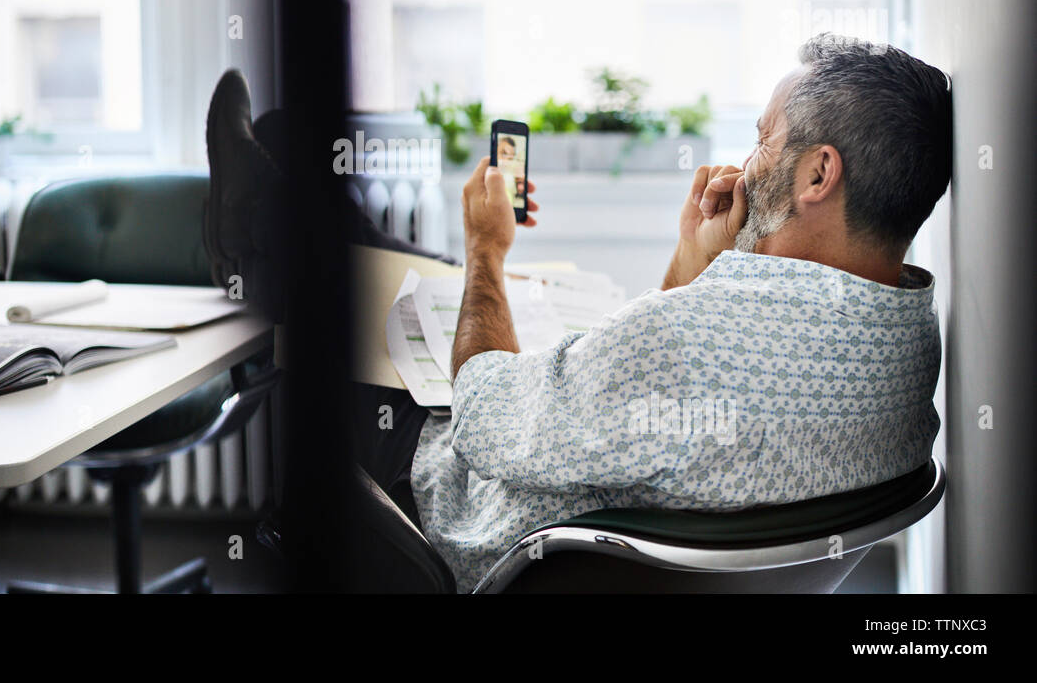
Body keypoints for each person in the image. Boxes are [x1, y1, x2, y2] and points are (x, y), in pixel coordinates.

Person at [203, 32, 953, 592]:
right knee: (377, 251)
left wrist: (486, 251)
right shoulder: (910, 342)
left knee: (354, 291)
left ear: (820, 172)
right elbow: (699, 408)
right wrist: (694, 264)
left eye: (765, 138)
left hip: (457, 490)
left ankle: (248, 228)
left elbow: (486, 414)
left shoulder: (691, 343)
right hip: (595, 463)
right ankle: (276, 189)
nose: (750, 160)